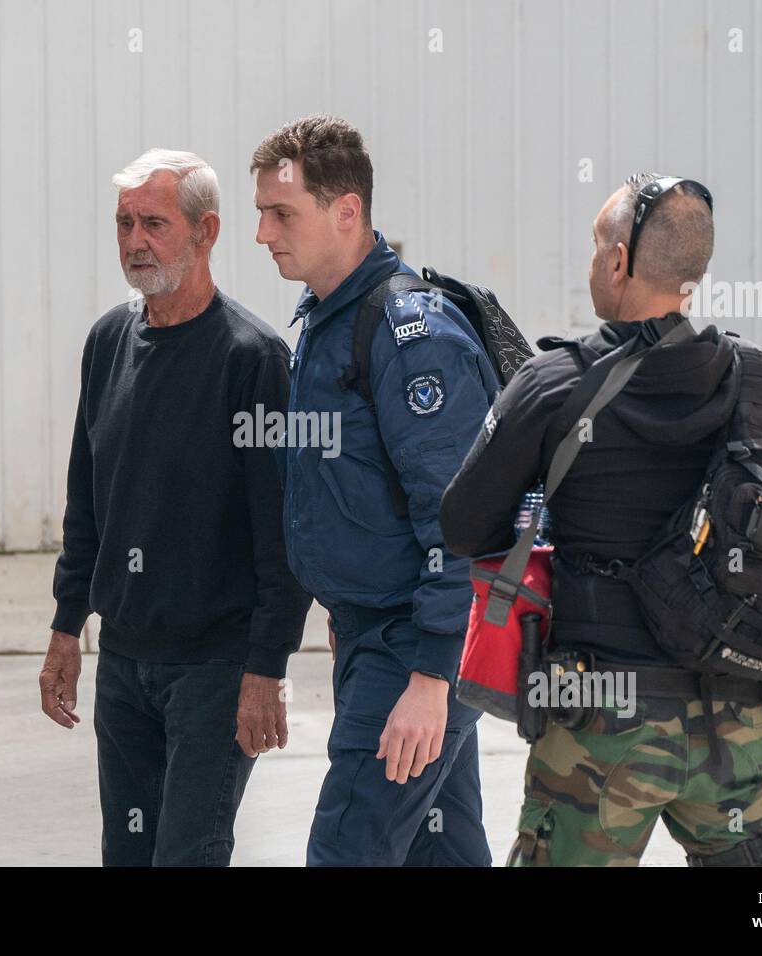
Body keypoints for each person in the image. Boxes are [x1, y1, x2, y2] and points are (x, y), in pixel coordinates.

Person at [441, 173, 762, 866]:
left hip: (597, 723)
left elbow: (463, 527)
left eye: (595, 247)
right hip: (743, 733)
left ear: (618, 262)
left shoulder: (556, 385)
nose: (592, 261)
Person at [39, 148, 311, 866]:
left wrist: (266, 668)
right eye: (124, 223)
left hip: (215, 674)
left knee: (186, 855)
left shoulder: (253, 361)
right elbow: (86, 503)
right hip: (124, 664)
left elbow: (282, 536)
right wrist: (68, 627)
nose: (134, 242)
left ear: (206, 230)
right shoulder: (107, 343)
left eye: (154, 224)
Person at [251, 115, 495, 866]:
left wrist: (429, 676)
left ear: (346, 211)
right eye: (262, 212)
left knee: (347, 849)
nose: (263, 233)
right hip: (374, 631)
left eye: (281, 212)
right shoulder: (330, 320)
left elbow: (457, 520)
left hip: (413, 649)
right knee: (444, 856)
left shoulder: (408, 333)